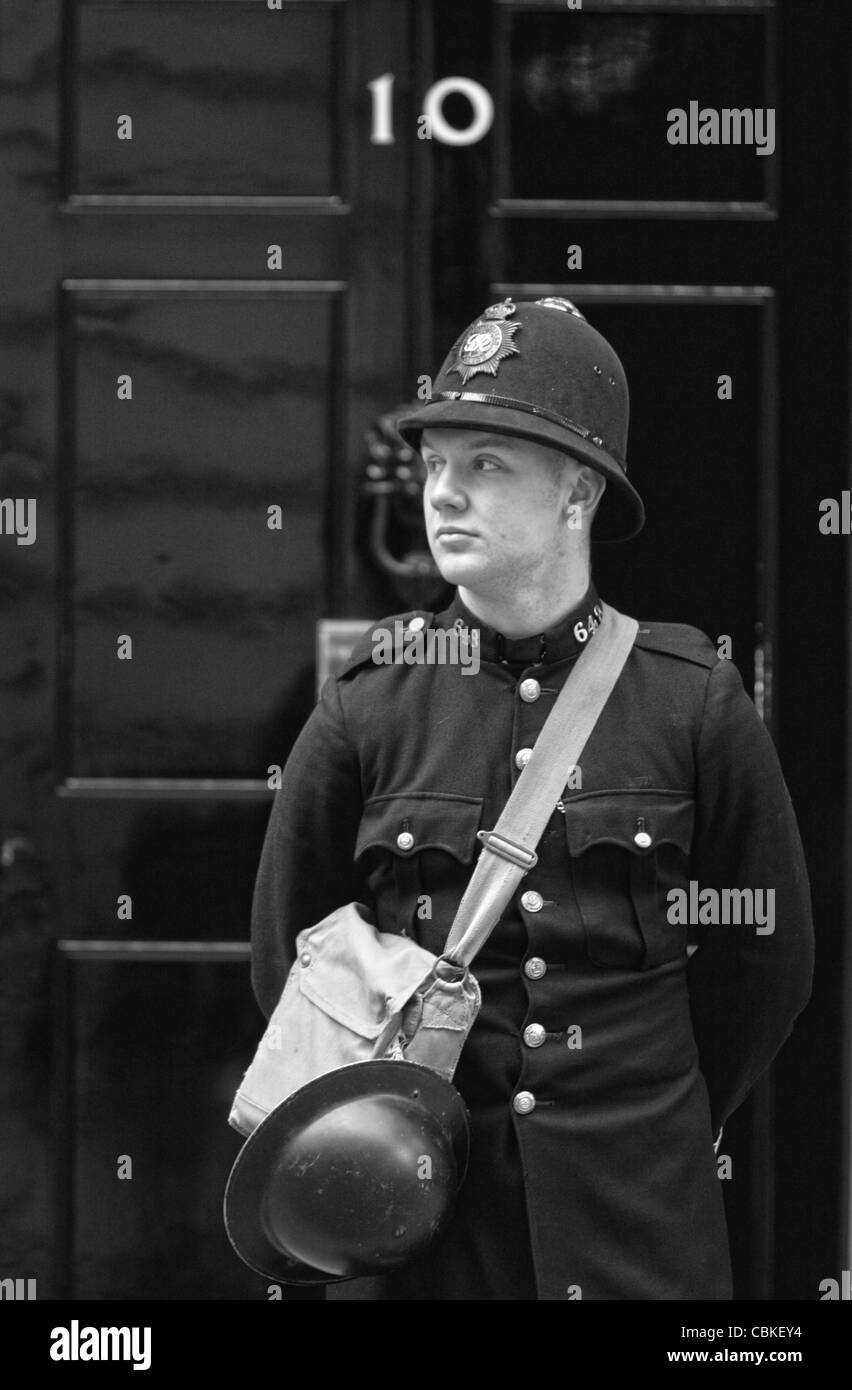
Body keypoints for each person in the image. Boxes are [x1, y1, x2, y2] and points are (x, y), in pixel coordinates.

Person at [250, 297, 814, 1300]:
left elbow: (767, 962)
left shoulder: (692, 703)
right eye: (436, 464)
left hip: (635, 1223)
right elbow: (289, 954)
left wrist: (658, 1116)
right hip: (422, 1231)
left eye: (488, 464)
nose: (444, 493)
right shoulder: (367, 705)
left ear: (579, 493)